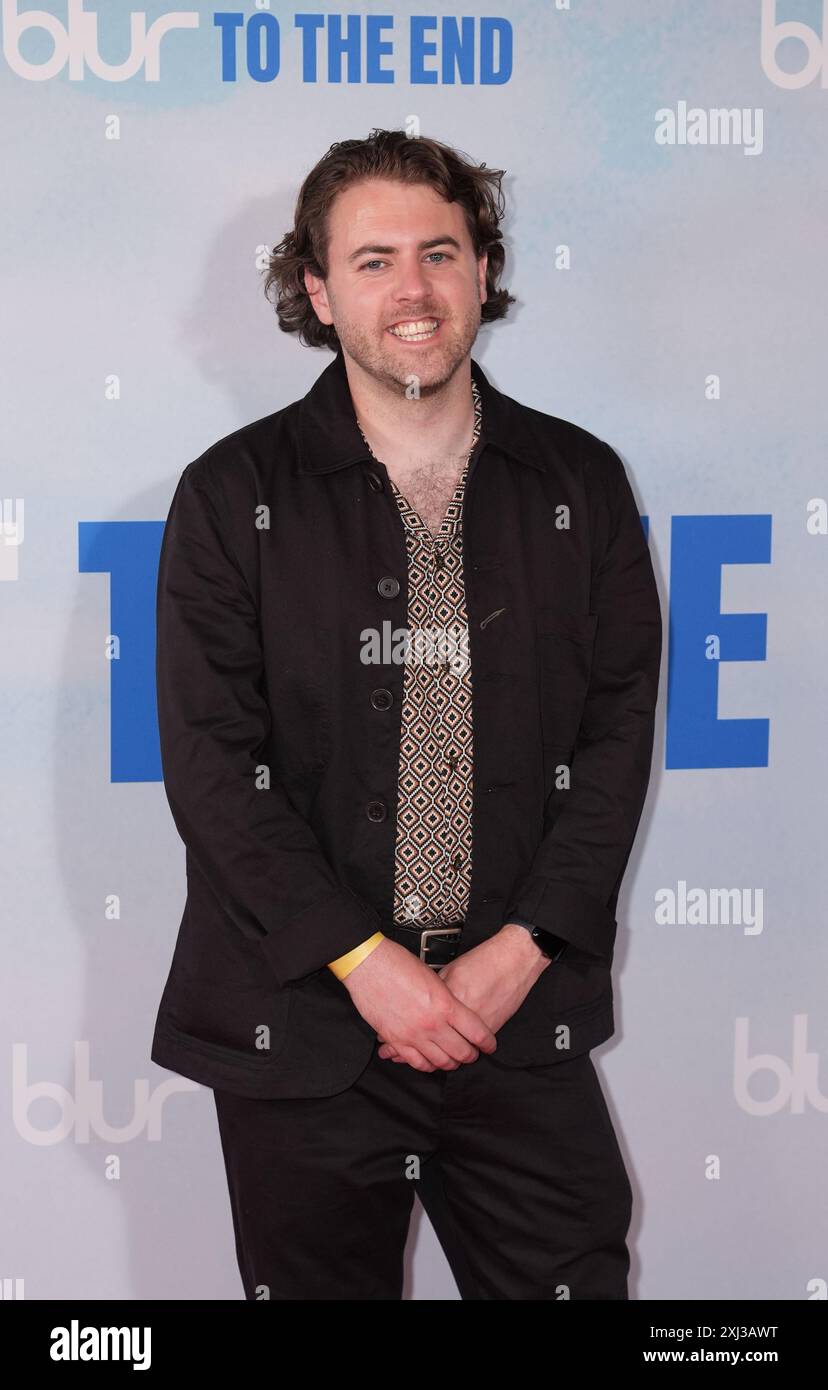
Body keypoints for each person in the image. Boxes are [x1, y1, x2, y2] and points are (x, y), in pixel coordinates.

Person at [151, 128, 662, 1300]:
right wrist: (365, 960)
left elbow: (618, 736)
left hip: (515, 1016)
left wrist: (523, 948)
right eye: (373, 261)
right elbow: (213, 767)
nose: (414, 289)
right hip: (308, 1026)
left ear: (484, 271)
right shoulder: (234, 497)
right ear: (319, 293)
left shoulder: (580, 485)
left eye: (440, 252)